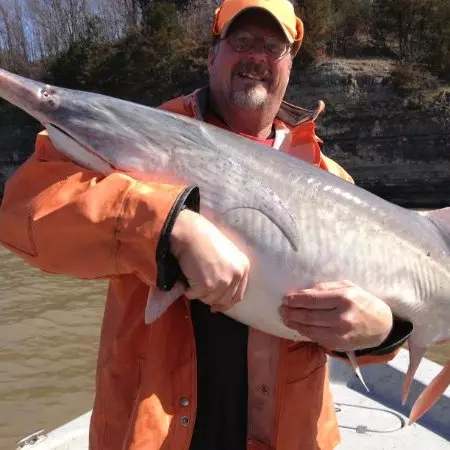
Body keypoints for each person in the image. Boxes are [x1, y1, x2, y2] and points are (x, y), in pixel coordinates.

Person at [0, 1, 412, 449]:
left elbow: (396, 308)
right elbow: (24, 212)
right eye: (242, 41)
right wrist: (169, 223)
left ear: (289, 65)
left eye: (272, 46)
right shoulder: (138, 137)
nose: (256, 55)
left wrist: (384, 331)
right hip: (154, 434)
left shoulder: (331, 179)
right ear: (212, 53)